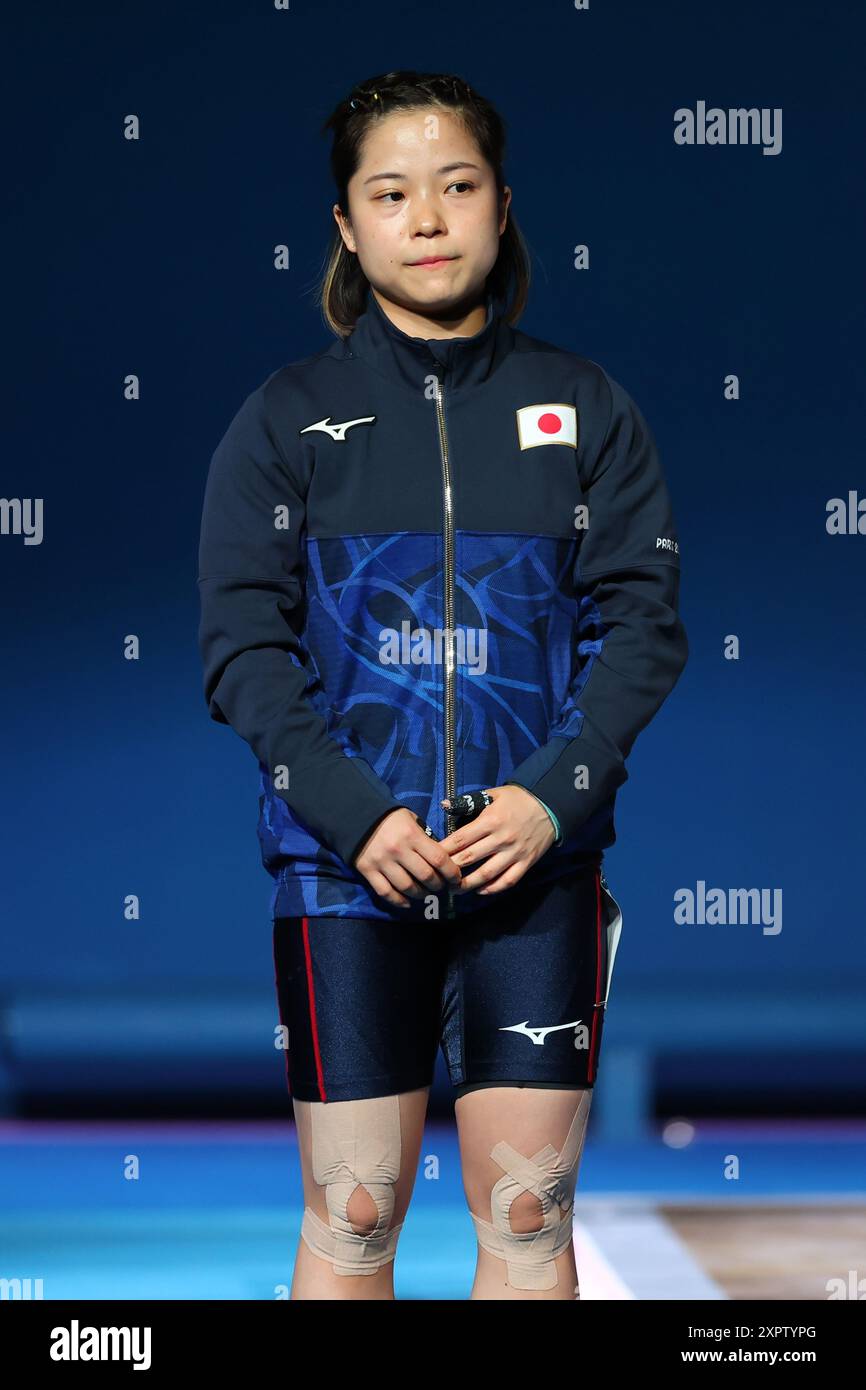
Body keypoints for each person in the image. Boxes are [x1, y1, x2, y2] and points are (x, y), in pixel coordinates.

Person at [197, 69, 688, 1300]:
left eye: (456, 186)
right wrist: (354, 815)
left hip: (537, 877)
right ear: (348, 227)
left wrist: (549, 803)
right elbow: (242, 646)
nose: (427, 218)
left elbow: (640, 628)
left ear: (503, 205)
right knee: (353, 1218)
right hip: (345, 878)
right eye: (392, 192)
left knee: (526, 1215)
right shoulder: (285, 420)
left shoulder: (584, 409)